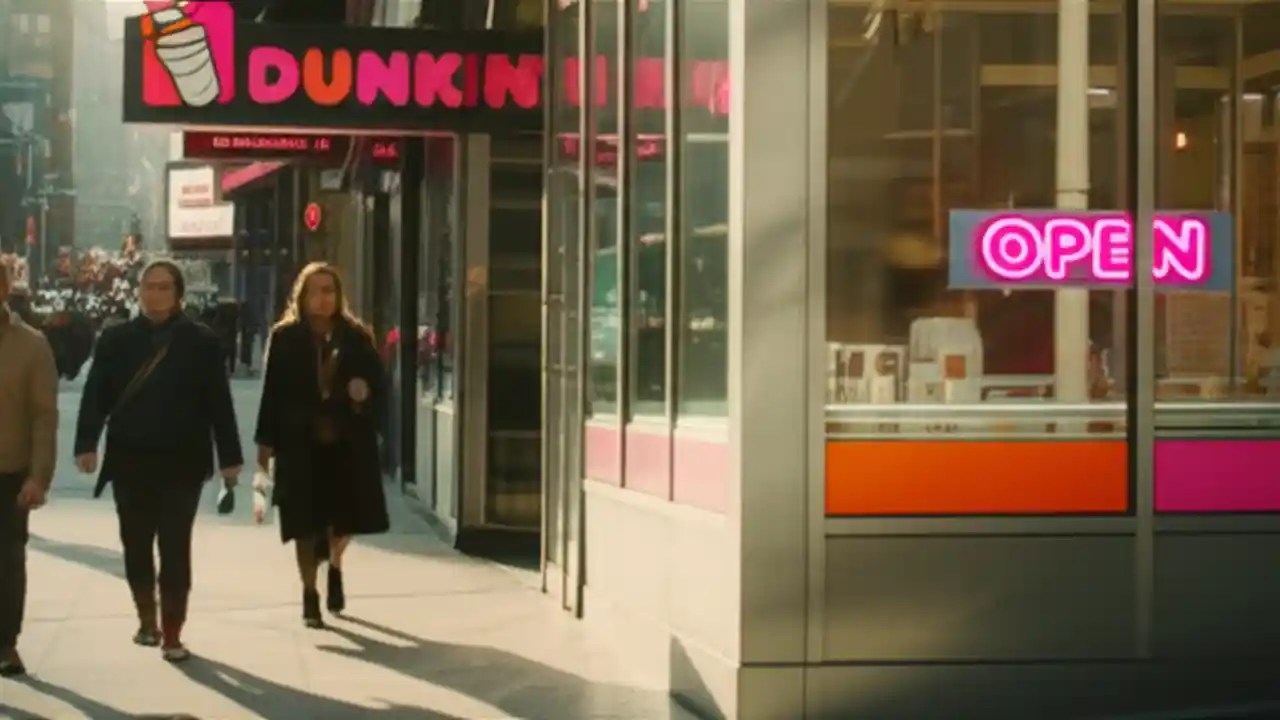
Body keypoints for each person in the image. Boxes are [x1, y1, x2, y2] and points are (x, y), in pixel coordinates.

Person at [74, 259, 242, 662]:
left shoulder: (201, 342)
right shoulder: (116, 339)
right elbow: (96, 393)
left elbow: (218, 402)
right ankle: (145, 617)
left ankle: (172, 630)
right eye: (148, 287)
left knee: (174, 545)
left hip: (182, 460)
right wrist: (86, 443)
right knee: (135, 543)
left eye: (164, 287)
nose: (155, 294)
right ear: (138, 291)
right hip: (130, 458)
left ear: (178, 293)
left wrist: (230, 458)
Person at [253, 262, 389, 628]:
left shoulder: (356, 337)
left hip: (346, 446)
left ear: (339, 295)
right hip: (299, 445)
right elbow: (272, 395)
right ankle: (310, 592)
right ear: (302, 294)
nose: (323, 298)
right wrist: (264, 449)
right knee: (303, 523)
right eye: (315, 290)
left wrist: (364, 395)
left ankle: (335, 564)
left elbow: (380, 387)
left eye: (329, 290)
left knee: (343, 521)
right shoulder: (285, 338)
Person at [0, 260, 58, 677]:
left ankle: (5, 642)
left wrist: (39, 476)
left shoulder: (31, 345)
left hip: (9, 472)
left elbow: (43, 416)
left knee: (6, 561)